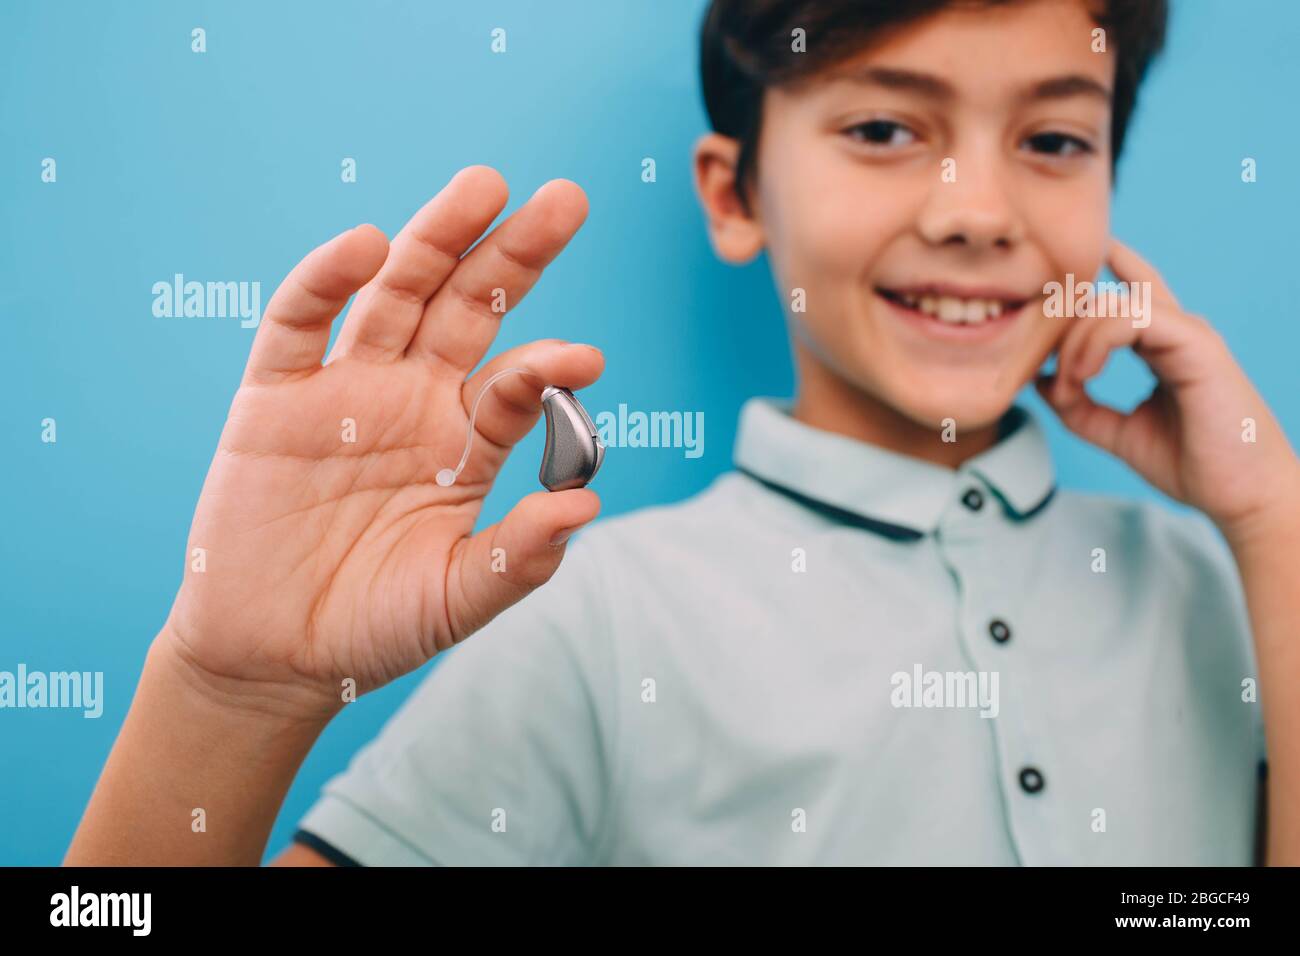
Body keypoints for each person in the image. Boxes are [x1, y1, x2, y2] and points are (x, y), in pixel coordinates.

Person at [66, 0, 1300, 866]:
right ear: (732, 191)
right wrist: (228, 695)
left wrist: (1275, 520)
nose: (977, 210)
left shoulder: (1224, 587)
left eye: (1052, 140)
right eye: (883, 128)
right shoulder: (595, 618)